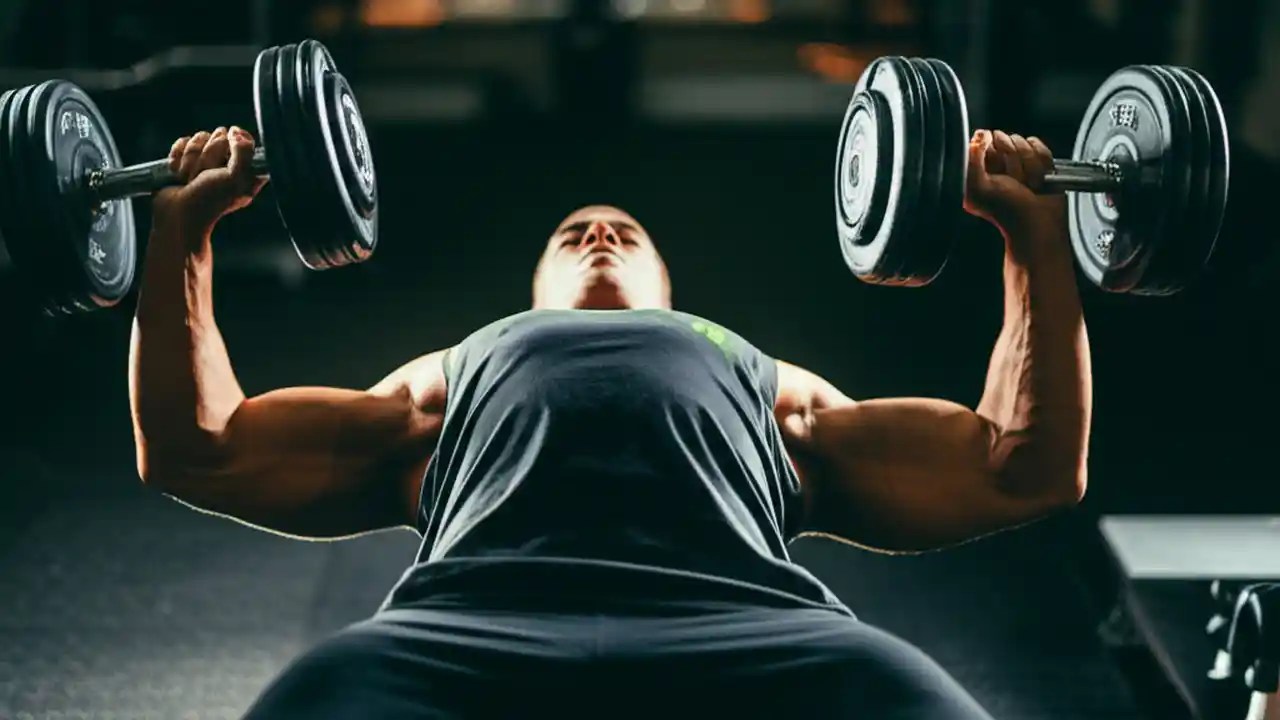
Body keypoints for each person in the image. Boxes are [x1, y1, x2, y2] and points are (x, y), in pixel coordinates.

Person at [128, 124, 1091, 719]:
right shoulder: (458, 366)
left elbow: (1022, 466)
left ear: (669, 294)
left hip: (752, 630)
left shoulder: (756, 372)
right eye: (573, 233)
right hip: (462, 635)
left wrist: (1033, 239)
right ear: (533, 290)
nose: (598, 234)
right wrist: (179, 231)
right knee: (308, 701)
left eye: (625, 233)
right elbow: (198, 448)